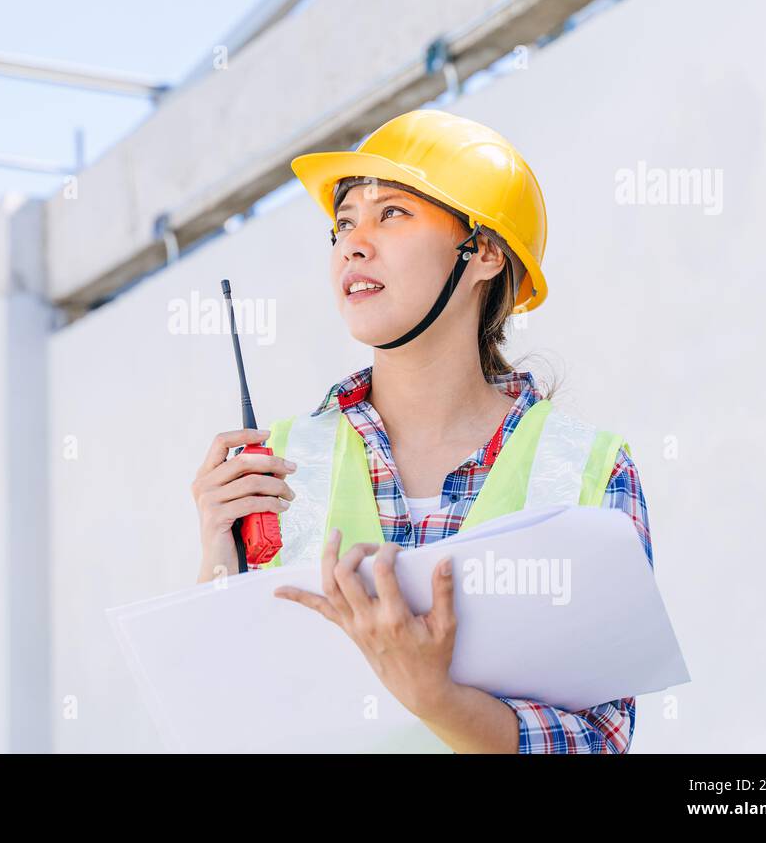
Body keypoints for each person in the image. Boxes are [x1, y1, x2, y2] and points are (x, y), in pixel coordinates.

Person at [190, 109, 652, 753]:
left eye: (393, 214)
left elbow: (599, 742)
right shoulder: (277, 464)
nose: (353, 243)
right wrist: (217, 553)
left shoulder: (588, 468)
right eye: (344, 223)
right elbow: (230, 705)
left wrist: (434, 697)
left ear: (485, 252)